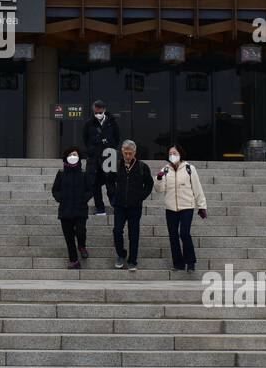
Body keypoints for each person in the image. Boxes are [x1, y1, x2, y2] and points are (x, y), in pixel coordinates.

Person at [155, 144, 207, 277]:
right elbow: (159, 189)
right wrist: (159, 179)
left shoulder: (189, 168)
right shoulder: (165, 170)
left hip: (187, 206)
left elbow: (197, 188)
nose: (172, 155)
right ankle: (178, 263)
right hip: (170, 208)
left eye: (174, 153)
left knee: (184, 233)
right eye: (170, 153)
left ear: (180, 154)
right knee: (173, 236)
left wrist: (201, 206)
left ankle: (190, 262)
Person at [105, 139, 153, 271]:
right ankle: (121, 254)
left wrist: (141, 197)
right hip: (119, 205)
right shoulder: (116, 166)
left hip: (135, 206)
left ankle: (132, 260)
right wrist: (113, 197)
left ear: (134, 152)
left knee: (134, 233)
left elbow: (149, 184)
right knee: (117, 231)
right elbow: (109, 182)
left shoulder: (142, 167)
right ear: (122, 152)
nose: (127, 156)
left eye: (130, 153)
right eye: (125, 153)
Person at [50, 146, 91, 269]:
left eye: (76, 155)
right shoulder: (61, 174)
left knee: (80, 231)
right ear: (66, 157)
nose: (73, 157)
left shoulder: (84, 173)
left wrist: (84, 199)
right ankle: (74, 261)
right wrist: (61, 198)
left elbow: (90, 190)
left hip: (80, 209)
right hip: (65, 210)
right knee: (69, 238)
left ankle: (82, 246)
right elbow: (55, 190)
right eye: (71, 155)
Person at [81, 99, 120, 216]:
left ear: (104, 110)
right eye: (96, 111)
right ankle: (100, 207)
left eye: (100, 111)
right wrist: (92, 150)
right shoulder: (89, 123)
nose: (98, 113)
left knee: (111, 182)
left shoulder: (112, 122)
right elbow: (85, 139)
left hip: (109, 156)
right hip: (94, 158)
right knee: (95, 184)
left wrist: (110, 146)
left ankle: (115, 204)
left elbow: (117, 137)